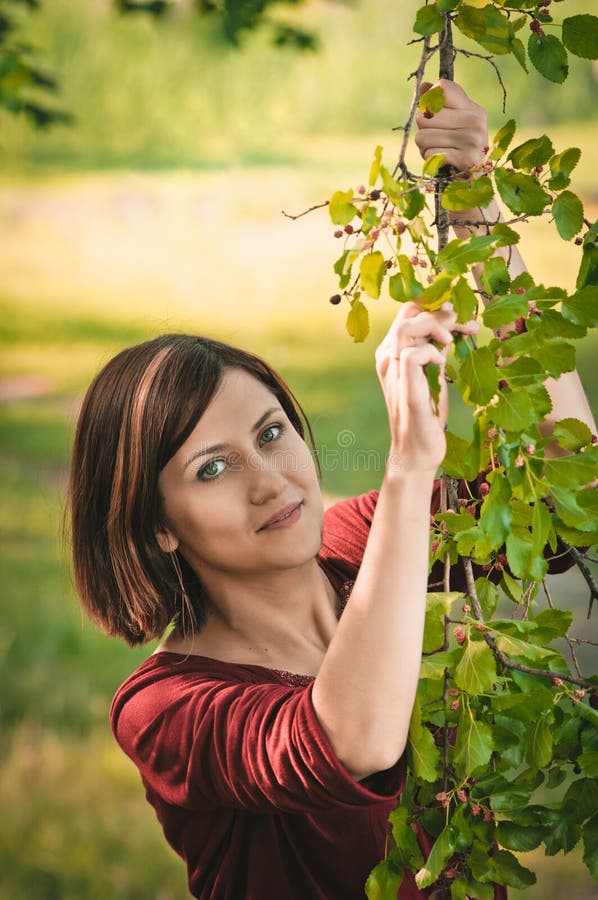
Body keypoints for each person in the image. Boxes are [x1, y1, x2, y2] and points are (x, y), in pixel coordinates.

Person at [67, 82, 595, 900]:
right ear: (156, 525)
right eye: (212, 467)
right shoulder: (164, 708)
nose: (269, 481)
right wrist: (409, 464)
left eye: (271, 433)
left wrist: (478, 213)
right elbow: (346, 740)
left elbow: (568, 498)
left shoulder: (355, 549)